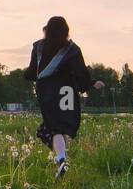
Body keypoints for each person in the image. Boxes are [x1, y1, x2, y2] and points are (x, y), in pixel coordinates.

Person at [24, 16, 104, 180]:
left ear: (46, 30)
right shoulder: (72, 49)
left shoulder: (38, 47)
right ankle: (61, 158)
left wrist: (26, 75)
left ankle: (61, 159)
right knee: (63, 128)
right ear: (66, 31)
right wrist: (92, 83)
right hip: (66, 92)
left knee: (54, 128)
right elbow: (81, 72)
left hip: (47, 93)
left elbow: (33, 72)